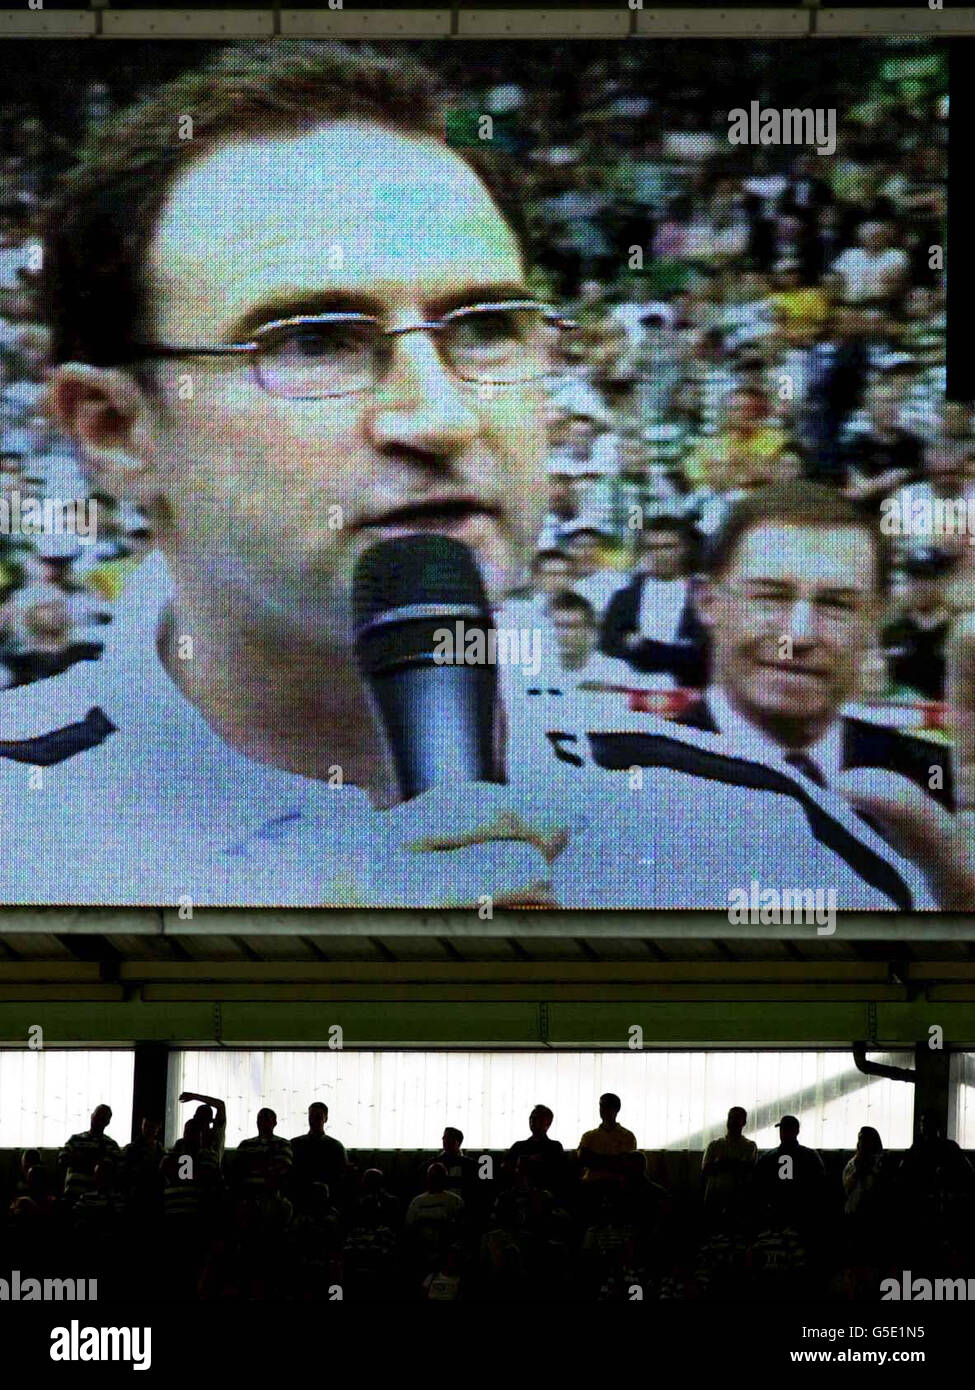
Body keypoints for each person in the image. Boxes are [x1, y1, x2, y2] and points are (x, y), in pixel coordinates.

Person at [589, 481, 973, 910]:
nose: (799, 635)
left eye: (837, 605)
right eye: (770, 597)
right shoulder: (615, 783)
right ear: (707, 602)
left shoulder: (942, 792)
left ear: (877, 619)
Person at [599, 515, 707, 686]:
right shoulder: (624, 597)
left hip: (687, 692)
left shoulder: (704, 595)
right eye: (652, 548)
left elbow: (702, 655)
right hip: (629, 691)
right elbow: (607, 645)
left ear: (685, 548)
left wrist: (643, 647)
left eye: (667, 547)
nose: (659, 554)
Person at [753, 1115, 826, 1233]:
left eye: (785, 1129)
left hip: (775, 1211)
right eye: (783, 1129)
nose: (783, 1133)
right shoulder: (810, 1155)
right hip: (801, 1212)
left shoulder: (768, 1157)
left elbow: (757, 1186)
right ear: (797, 1131)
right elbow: (820, 1185)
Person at [701, 1106, 757, 1222]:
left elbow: (746, 1169)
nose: (732, 1121)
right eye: (730, 1118)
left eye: (736, 1118)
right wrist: (734, 1164)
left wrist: (720, 1164)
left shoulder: (749, 1146)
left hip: (736, 1199)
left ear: (744, 1122)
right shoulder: (715, 1145)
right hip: (716, 1198)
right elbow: (706, 1169)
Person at [57, 1103, 120, 1205]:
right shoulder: (75, 1139)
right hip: (71, 1196)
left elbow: (111, 1171)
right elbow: (63, 1160)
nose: (98, 1121)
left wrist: (79, 1158)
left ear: (107, 1122)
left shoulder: (111, 1145)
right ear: (91, 1116)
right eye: (97, 1116)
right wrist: (94, 1161)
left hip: (96, 1201)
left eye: (103, 1118)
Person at [290, 1101, 347, 1207]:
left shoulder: (296, 1143)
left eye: (318, 1117)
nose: (313, 1120)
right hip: (303, 1194)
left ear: (326, 1119)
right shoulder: (295, 1144)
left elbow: (340, 1175)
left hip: (322, 1196)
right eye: (311, 1116)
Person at [577, 1093, 637, 1187]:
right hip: (591, 1184)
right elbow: (582, 1160)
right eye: (601, 1106)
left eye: (608, 1106)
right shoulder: (588, 1136)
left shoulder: (628, 1136)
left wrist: (594, 1159)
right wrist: (613, 1160)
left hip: (616, 1185)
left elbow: (626, 1164)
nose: (603, 1110)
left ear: (617, 1109)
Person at [506, 1105, 566, 1196]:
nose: (533, 1120)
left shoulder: (555, 1147)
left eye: (538, 1118)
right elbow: (505, 1167)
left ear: (548, 1123)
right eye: (531, 1117)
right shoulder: (518, 1146)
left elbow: (558, 1174)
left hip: (545, 1194)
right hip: (520, 1192)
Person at [234, 1109, 293, 1194]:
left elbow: (283, 1167)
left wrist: (253, 1166)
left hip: (272, 1191)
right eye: (260, 1119)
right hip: (247, 1191)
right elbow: (237, 1167)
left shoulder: (283, 1143)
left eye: (266, 1120)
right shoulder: (245, 1144)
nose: (262, 1123)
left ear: (274, 1123)